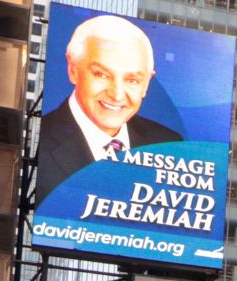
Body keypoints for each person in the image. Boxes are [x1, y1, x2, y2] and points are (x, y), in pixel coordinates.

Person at [36, 15, 182, 202]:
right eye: (102, 75)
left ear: (146, 84)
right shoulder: (43, 140)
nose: (117, 95)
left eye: (132, 80)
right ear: (73, 69)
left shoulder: (168, 145)